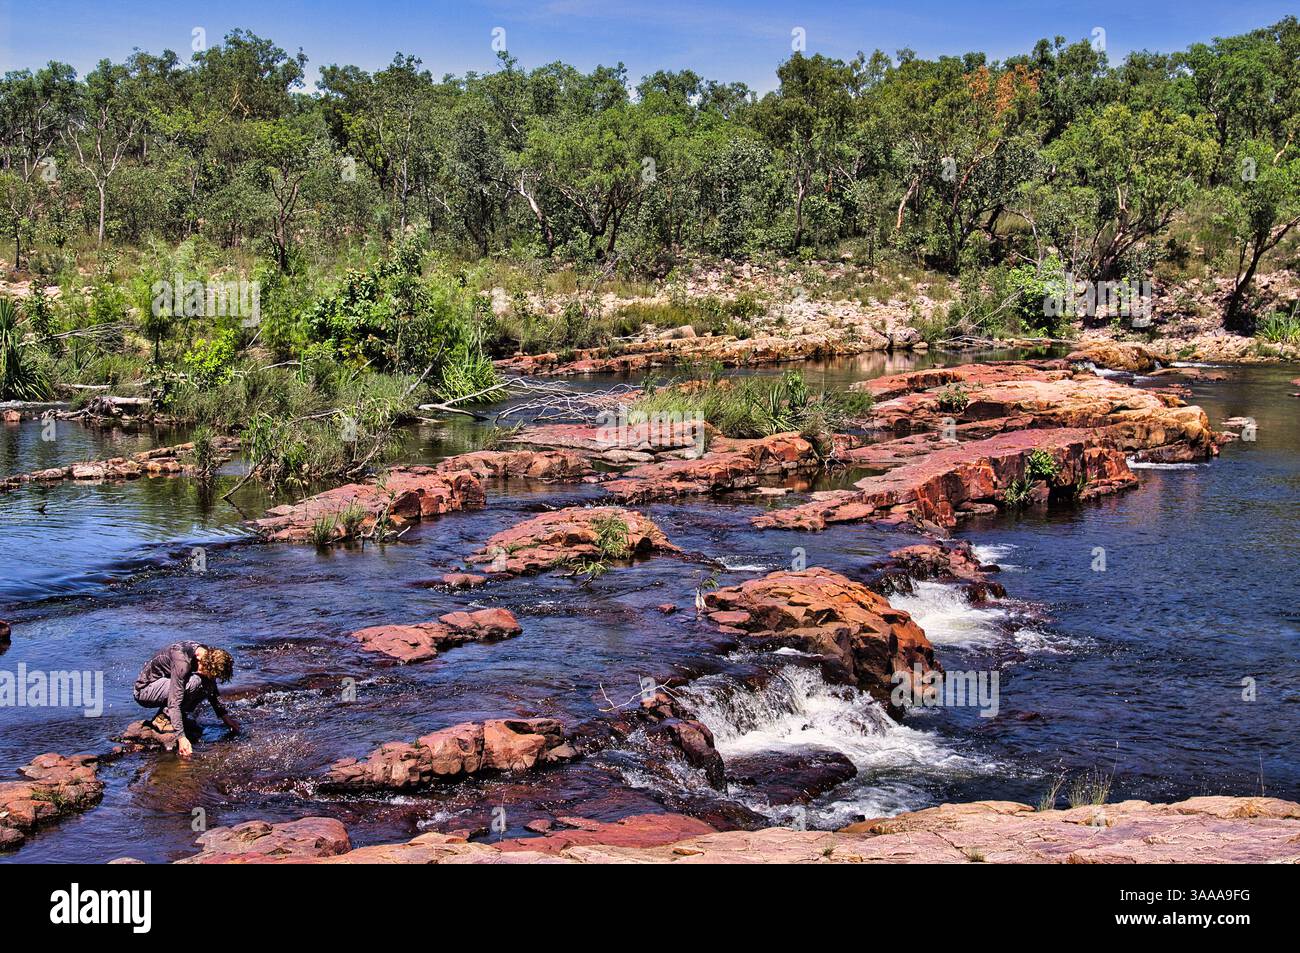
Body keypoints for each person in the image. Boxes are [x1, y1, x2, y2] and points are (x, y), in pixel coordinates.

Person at [133, 641, 240, 757]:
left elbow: (212, 689)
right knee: (196, 683)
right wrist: (181, 737)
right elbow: (174, 702)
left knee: (206, 682)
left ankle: (176, 717)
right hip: (145, 690)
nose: (211, 678)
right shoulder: (182, 661)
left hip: (166, 684)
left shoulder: (207, 654)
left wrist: (225, 717)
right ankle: (165, 718)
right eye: (208, 672)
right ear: (200, 660)